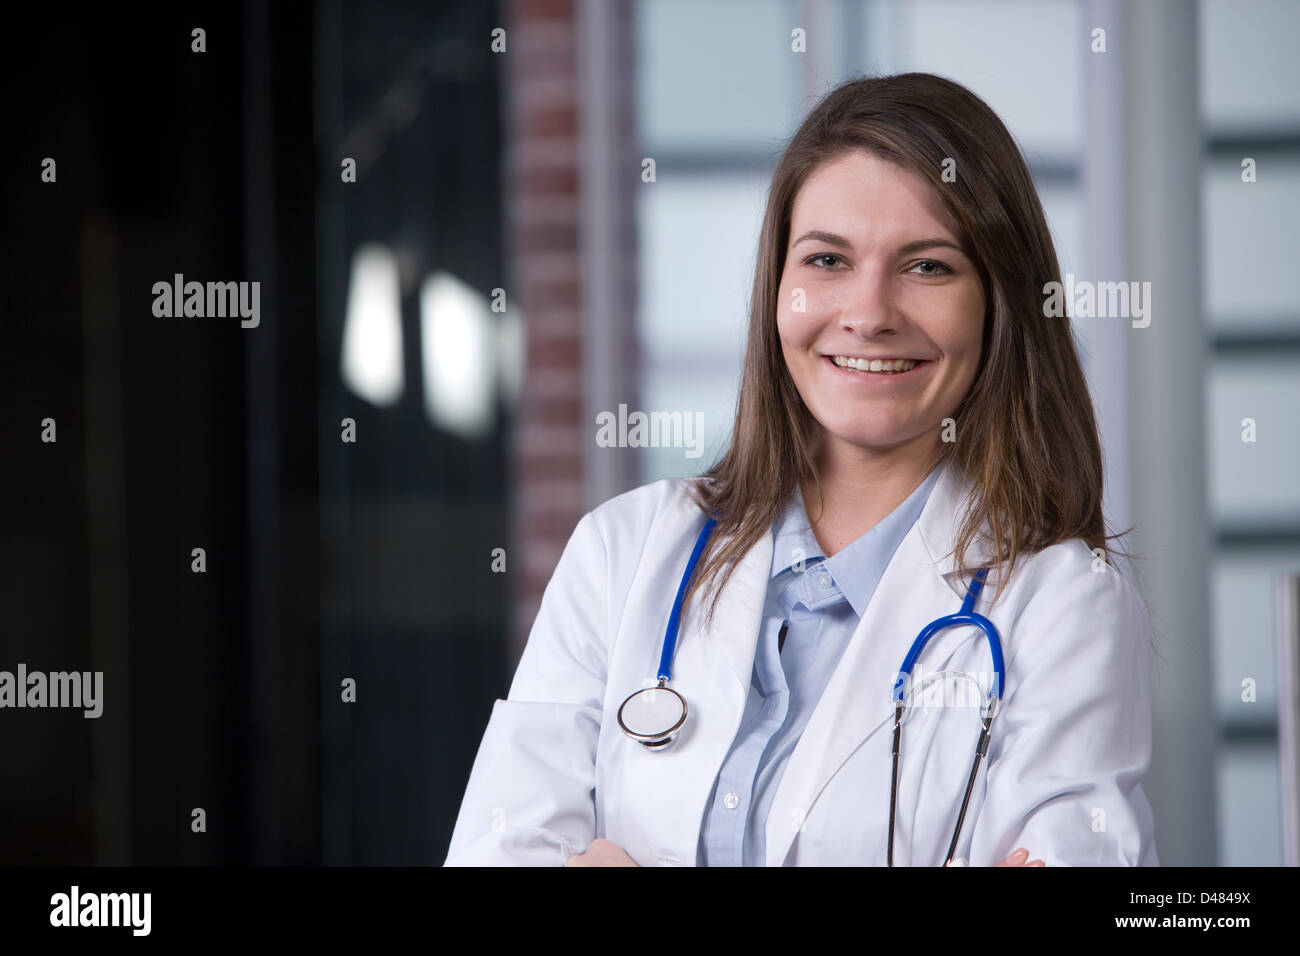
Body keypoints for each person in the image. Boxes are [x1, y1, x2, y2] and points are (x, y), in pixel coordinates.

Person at [444, 72, 1159, 867]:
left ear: (1000, 302)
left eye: (927, 267)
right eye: (827, 259)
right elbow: (495, 849)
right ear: (776, 287)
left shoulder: (1060, 603)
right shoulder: (623, 554)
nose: (869, 313)